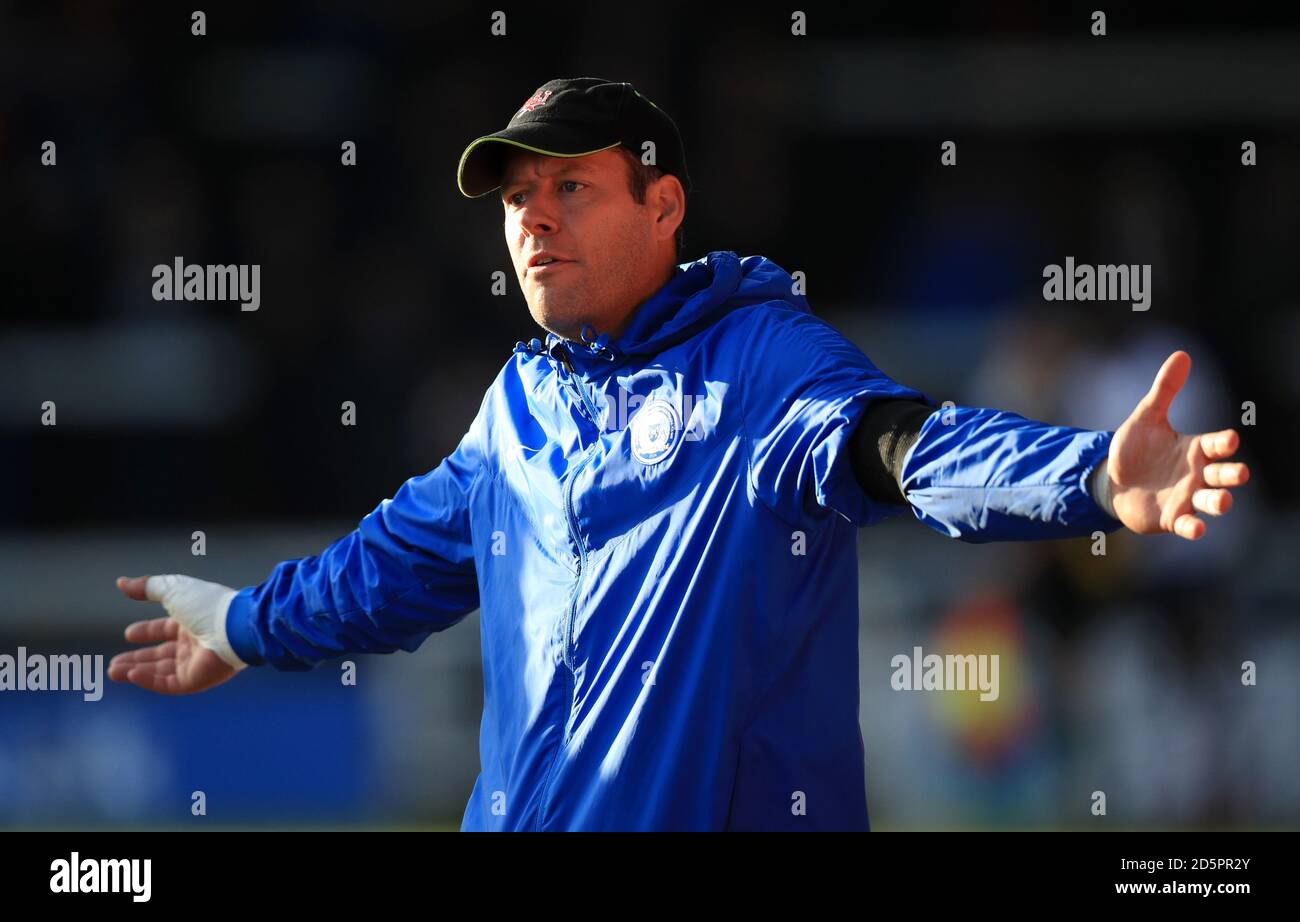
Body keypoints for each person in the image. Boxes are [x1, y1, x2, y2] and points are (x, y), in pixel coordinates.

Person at [109, 78, 1250, 831]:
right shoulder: (516, 407)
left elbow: (904, 448)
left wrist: (1090, 477)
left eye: (569, 185)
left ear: (665, 208)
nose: (532, 218)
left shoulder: (758, 362)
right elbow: (385, 569)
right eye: (516, 196)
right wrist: (242, 624)